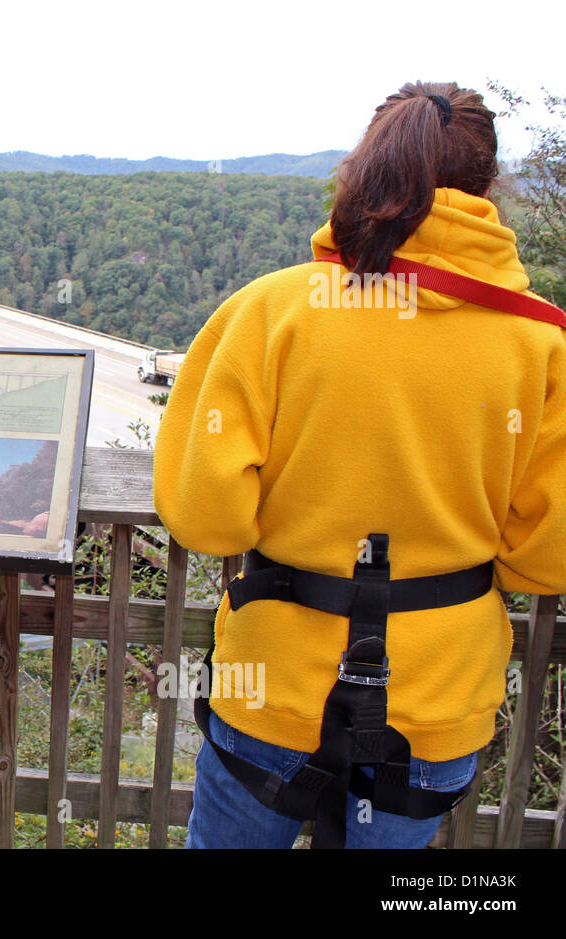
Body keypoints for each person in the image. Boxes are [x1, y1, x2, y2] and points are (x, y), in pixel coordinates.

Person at [152, 82, 566, 848]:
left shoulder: (271, 312)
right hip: (437, 702)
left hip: (271, 682)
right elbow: (546, 557)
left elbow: (207, 515)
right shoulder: (542, 346)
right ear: (486, 190)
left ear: (368, 170)